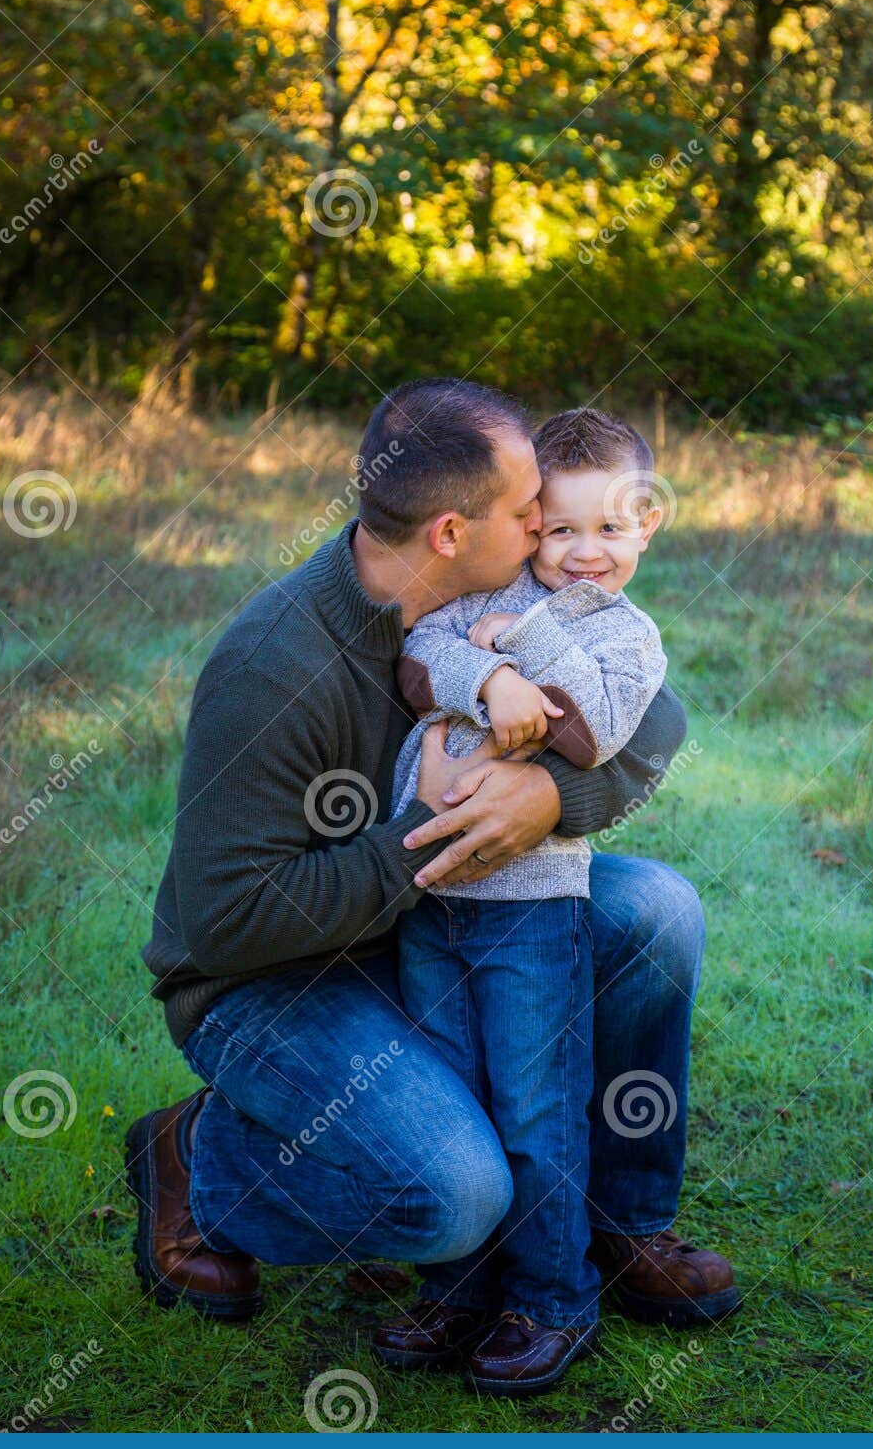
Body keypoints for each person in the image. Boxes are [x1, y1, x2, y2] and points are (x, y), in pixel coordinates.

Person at [126, 378, 738, 1379]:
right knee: (453, 1194)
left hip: (445, 915)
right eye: (526, 506)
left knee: (655, 911)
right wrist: (426, 832)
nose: (548, 521)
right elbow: (227, 922)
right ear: (453, 530)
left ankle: (617, 1222)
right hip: (275, 979)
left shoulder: (497, 595)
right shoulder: (274, 667)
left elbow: (654, 717)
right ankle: (201, 1158)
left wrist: (548, 801)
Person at [377, 408, 673, 1396]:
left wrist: (532, 635)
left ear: (647, 524)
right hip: (431, 904)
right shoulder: (491, 597)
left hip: (530, 908)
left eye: (607, 529)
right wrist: (493, 673)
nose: (582, 553)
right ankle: (458, 1288)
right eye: (557, 529)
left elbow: (586, 733)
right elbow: (420, 654)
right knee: (453, 1091)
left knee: (534, 1108)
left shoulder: (630, 638)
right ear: (529, 523)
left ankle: (551, 1298)